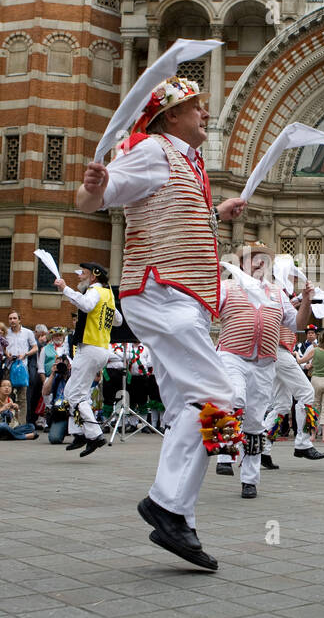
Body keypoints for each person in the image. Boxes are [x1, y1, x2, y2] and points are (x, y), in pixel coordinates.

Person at [76, 72, 247, 570]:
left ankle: (178, 516)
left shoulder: (188, 164)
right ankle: (166, 504)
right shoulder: (152, 150)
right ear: (172, 115)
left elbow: (168, 212)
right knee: (218, 397)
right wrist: (95, 187)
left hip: (178, 297)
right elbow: (96, 200)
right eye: (197, 107)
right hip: (161, 293)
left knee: (186, 410)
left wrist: (219, 212)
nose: (206, 114)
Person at [211, 244, 307, 499]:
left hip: (265, 363)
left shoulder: (277, 293)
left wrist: (307, 300)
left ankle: (250, 480)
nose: (258, 263)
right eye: (252, 259)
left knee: (255, 421)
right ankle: (223, 450)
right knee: (235, 398)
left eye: (263, 260)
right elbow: (205, 312)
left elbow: (296, 323)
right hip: (232, 355)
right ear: (240, 264)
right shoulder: (227, 287)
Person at [53, 262, 121, 457]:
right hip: (100, 348)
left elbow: (86, 304)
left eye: (83, 273)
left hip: (90, 348)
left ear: (93, 277)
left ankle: (94, 434)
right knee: (71, 392)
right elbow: (118, 320)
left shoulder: (94, 291)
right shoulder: (107, 295)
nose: (79, 276)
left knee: (75, 395)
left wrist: (65, 288)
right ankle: (80, 433)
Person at [260, 281, 324, 469]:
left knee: (282, 404)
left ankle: (263, 448)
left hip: (278, 353)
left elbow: (293, 310)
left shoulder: (280, 298)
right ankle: (303, 443)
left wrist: (303, 300)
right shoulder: (274, 296)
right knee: (306, 393)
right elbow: (288, 311)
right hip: (279, 351)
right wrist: (303, 299)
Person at [3, 310, 39, 422]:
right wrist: (6, 354)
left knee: (22, 397)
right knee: (8, 396)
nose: (12, 321)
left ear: (19, 320)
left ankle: (22, 423)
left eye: (14, 318)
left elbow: (35, 347)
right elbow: (2, 347)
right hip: (9, 367)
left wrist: (26, 354)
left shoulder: (28, 332)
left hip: (22, 368)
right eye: (10, 319)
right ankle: (10, 422)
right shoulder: (6, 333)